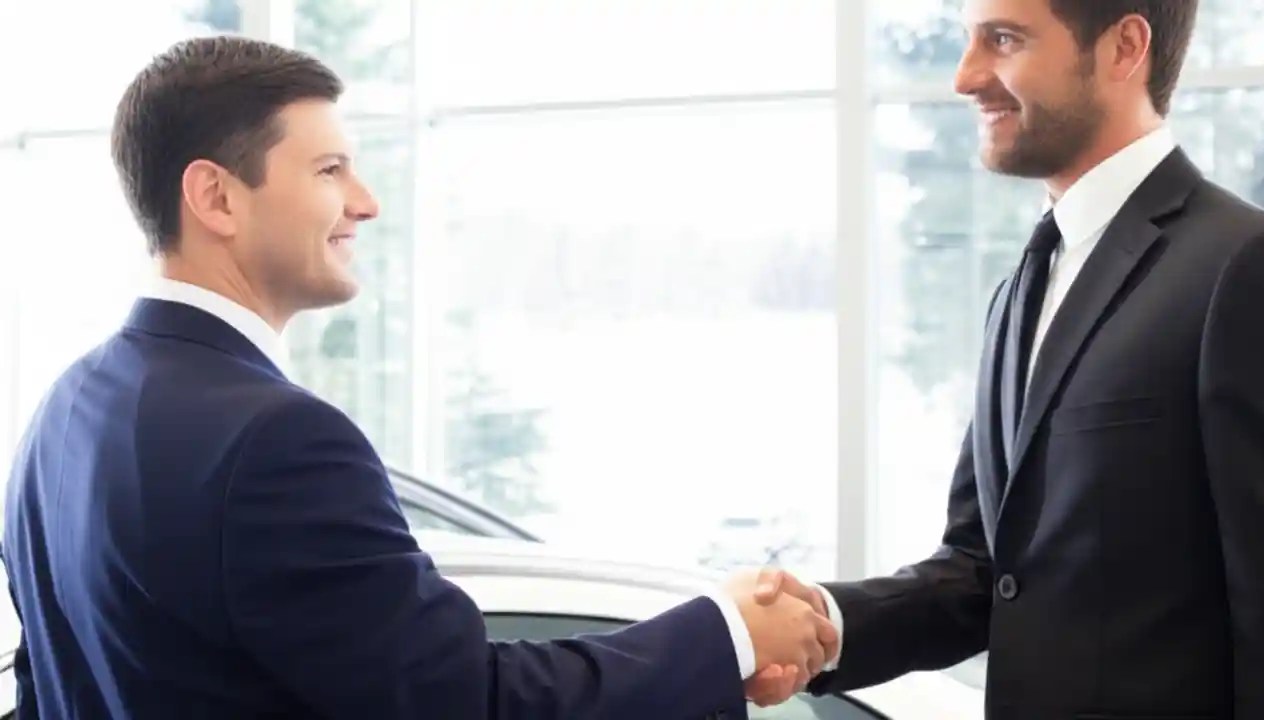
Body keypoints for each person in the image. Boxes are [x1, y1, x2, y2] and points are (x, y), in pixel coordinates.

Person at [0, 36, 835, 720]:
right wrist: (728, 633)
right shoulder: (276, 440)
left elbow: (40, 692)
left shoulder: (64, 410)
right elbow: (464, 704)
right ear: (215, 198)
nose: (365, 202)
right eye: (329, 170)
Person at [752, 0, 1264, 717]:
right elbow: (983, 573)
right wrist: (824, 623)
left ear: (1124, 48)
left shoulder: (1247, 267)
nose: (965, 78)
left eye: (1003, 39)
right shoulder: (1018, 292)